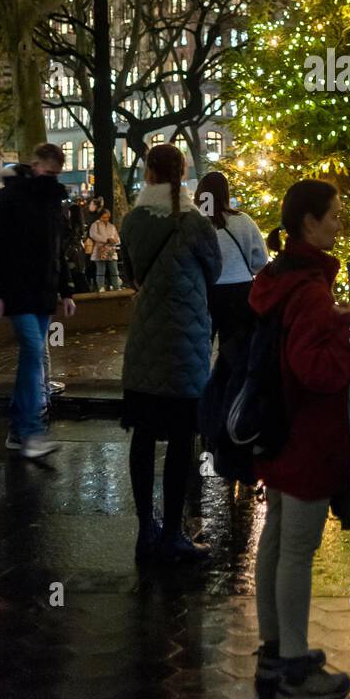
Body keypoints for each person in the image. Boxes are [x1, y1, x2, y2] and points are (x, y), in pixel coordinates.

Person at [250, 179, 350, 699]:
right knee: (297, 548)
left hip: (275, 429)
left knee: (276, 537)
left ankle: (275, 649)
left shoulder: (277, 276)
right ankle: (294, 667)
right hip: (307, 434)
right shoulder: (312, 288)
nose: (341, 222)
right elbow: (313, 368)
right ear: (309, 223)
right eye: (334, 215)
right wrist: (348, 340)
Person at [120, 142, 222, 564]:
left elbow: (128, 272)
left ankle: (147, 528)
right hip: (185, 334)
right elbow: (213, 269)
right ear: (183, 171)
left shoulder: (133, 220)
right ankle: (174, 534)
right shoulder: (195, 222)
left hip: (145, 336)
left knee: (143, 434)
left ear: (147, 173)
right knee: (182, 435)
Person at [0, 144, 76, 458]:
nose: (52, 178)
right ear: (36, 167)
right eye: (50, 173)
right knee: (34, 354)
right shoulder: (30, 201)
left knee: (32, 358)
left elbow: (55, 247)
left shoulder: (30, 200)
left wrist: (67, 290)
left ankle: (20, 430)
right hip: (23, 291)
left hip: (33, 291)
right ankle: (29, 430)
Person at [194, 171, 267, 346]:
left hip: (206, 290)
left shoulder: (197, 223)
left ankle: (204, 374)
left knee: (201, 346)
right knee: (237, 351)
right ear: (225, 193)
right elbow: (260, 261)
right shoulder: (243, 221)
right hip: (240, 290)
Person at [89, 208, 121, 291]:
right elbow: (93, 235)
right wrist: (106, 240)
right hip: (100, 250)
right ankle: (101, 288)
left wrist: (115, 241)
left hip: (110, 250)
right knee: (101, 271)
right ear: (100, 217)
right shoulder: (95, 224)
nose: (105, 219)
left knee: (114, 270)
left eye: (107, 217)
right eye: (103, 217)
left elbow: (117, 238)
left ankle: (116, 287)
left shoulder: (111, 226)